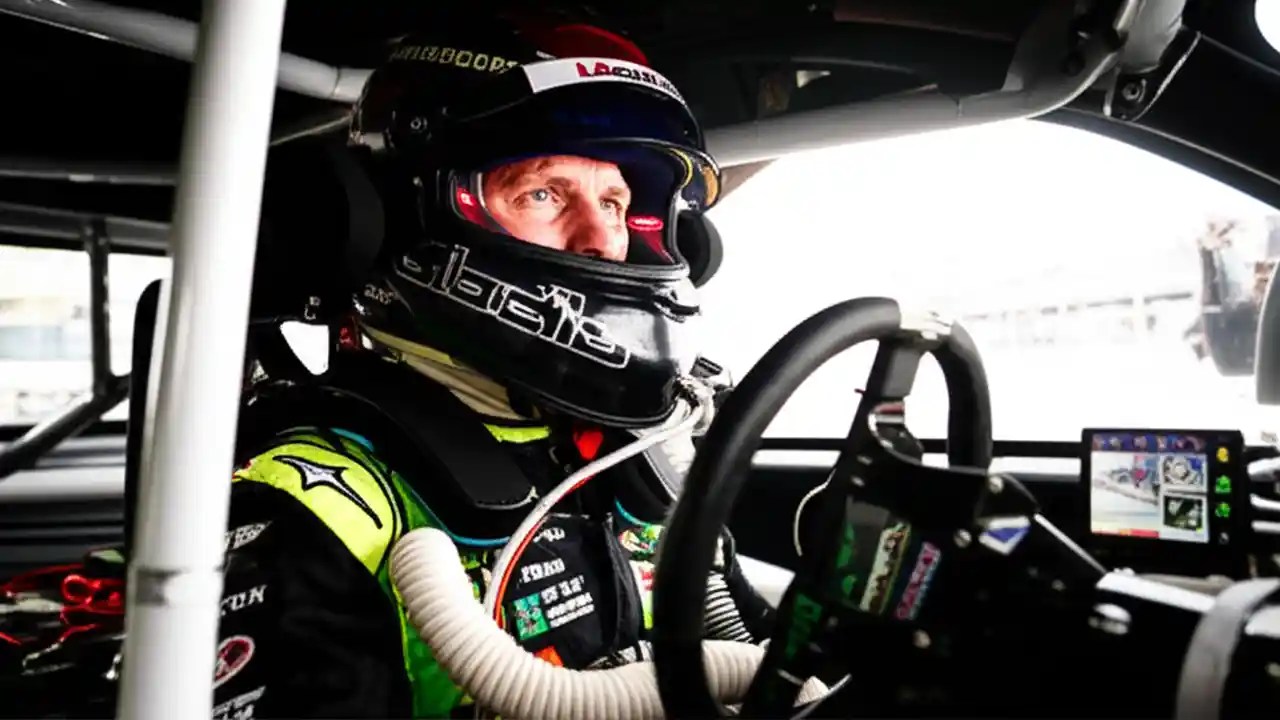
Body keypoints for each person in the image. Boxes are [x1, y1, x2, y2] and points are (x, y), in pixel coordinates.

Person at [212, 12, 772, 719]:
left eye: (615, 202)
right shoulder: (319, 505)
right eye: (544, 194)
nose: (603, 240)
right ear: (400, 217)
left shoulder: (646, 458)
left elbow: (760, 658)